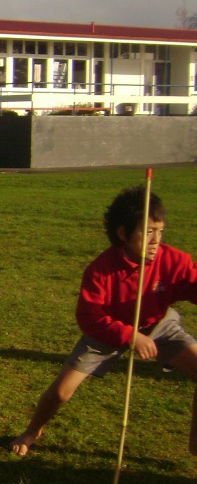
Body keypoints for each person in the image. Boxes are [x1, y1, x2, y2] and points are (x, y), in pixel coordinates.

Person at [11, 184, 197, 457]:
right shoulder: (100, 270)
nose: (156, 240)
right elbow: (90, 318)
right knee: (61, 392)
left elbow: (191, 283)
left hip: (159, 324)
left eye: (160, 231)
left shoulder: (173, 260)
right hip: (108, 329)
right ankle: (32, 431)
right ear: (122, 232)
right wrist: (130, 336)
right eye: (147, 232)